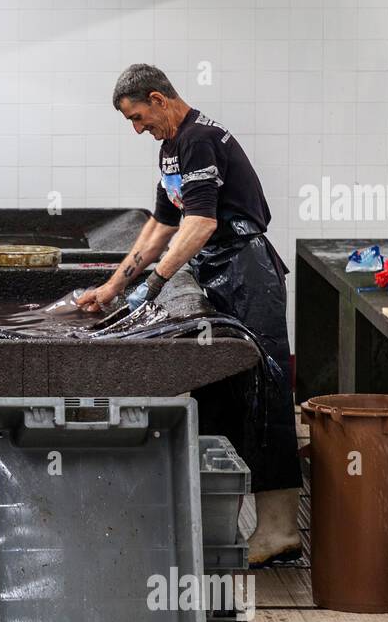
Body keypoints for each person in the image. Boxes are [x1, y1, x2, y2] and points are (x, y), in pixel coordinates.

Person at [78, 63, 302, 562]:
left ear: (158, 99)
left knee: (264, 393)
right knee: (220, 390)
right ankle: (221, 515)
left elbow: (199, 223)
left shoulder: (200, 140)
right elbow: (163, 223)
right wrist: (114, 286)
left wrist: (156, 284)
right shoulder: (172, 148)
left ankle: (281, 528)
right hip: (217, 270)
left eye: (138, 117)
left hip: (247, 272)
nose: (138, 129)